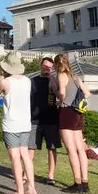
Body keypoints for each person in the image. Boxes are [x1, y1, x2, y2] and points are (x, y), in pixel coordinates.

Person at [0, 52, 36, 194]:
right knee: (25, 156)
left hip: (11, 124)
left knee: (14, 157)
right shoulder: (27, 80)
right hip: (25, 122)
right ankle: (31, 186)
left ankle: (19, 190)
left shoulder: (5, 82)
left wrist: (1, 75)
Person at [53, 53, 91, 193]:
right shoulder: (75, 77)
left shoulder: (61, 76)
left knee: (71, 149)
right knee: (80, 148)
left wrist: (58, 97)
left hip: (66, 112)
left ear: (57, 64)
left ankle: (77, 183)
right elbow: (87, 93)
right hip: (78, 113)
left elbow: (62, 94)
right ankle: (85, 182)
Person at [30, 56, 62, 185]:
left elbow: (62, 96)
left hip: (51, 119)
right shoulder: (32, 81)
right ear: (40, 66)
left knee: (52, 148)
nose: (47, 69)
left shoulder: (55, 81)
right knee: (30, 148)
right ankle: (27, 174)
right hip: (34, 120)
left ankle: (51, 176)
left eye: (50, 67)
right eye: (45, 67)